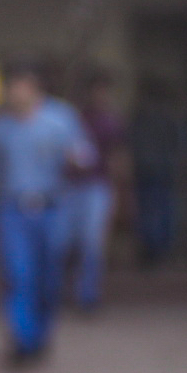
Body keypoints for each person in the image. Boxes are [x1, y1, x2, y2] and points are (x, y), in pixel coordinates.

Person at [0, 63, 94, 365]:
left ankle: (41, 336)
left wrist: (75, 158)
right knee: (18, 276)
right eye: (11, 87)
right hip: (12, 209)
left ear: (34, 88)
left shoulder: (60, 118)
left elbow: (85, 153)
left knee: (48, 279)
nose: (15, 93)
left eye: (21, 87)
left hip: (51, 208)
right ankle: (22, 339)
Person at [64, 71, 125, 311]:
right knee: (65, 242)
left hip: (97, 186)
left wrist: (120, 192)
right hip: (69, 187)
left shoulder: (112, 121)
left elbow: (118, 157)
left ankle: (87, 294)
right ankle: (64, 288)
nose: (101, 96)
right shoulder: (71, 118)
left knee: (92, 242)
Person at [127, 77, 187, 267]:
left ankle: (156, 249)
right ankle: (158, 248)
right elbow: (180, 145)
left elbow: (179, 145)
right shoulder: (164, 115)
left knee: (156, 209)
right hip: (158, 168)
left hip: (155, 168)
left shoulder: (147, 115)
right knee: (162, 208)